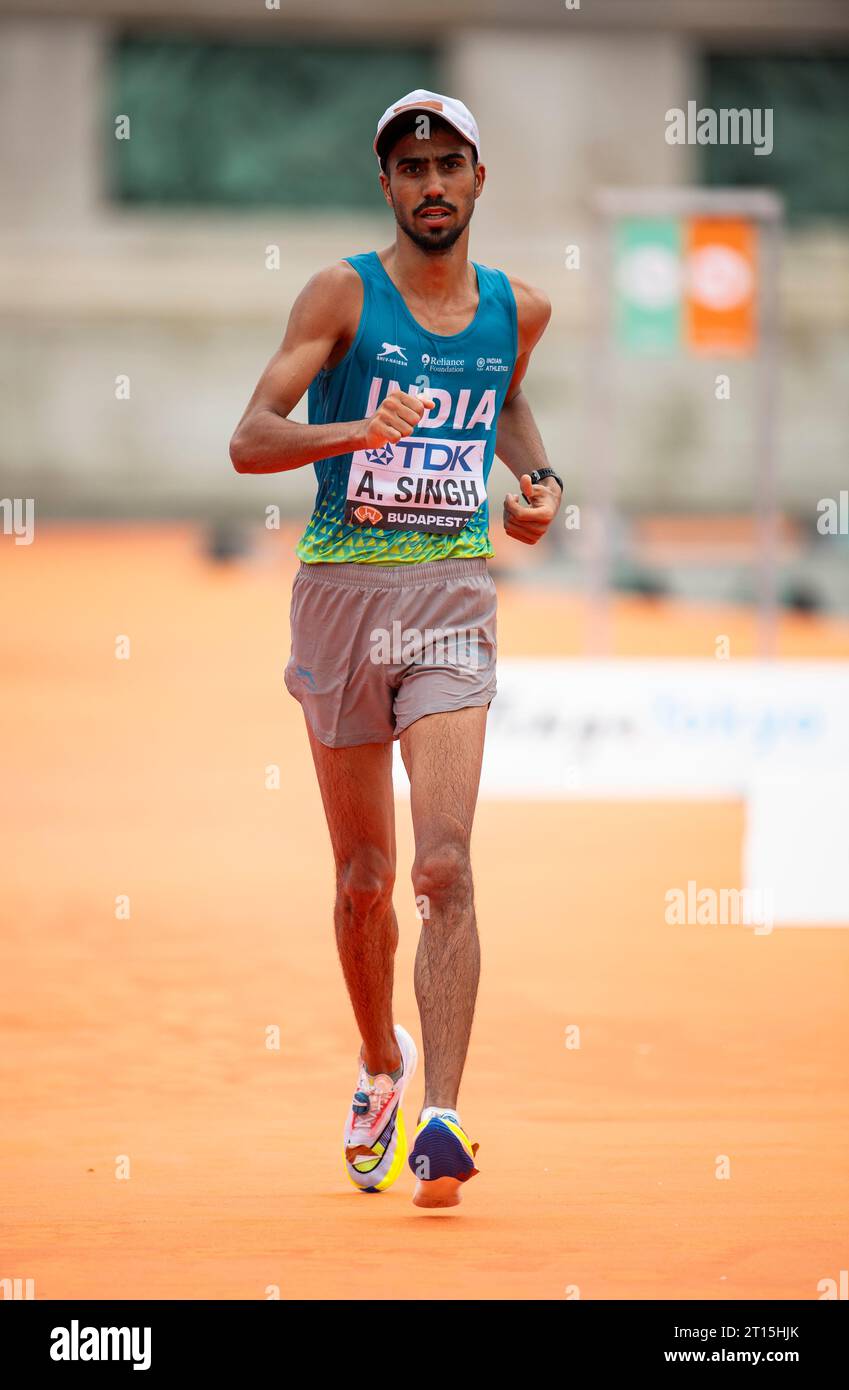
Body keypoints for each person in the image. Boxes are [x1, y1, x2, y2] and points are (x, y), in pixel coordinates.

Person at [230, 90, 561, 1207]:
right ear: (387, 184)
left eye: (448, 164)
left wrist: (541, 484)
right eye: (410, 166)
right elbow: (249, 438)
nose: (430, 183)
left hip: (452, 597)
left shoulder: (519, 308)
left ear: (478, 180)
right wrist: (352, 431)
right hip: (339, 599)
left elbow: (508, 403)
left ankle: (446, 1120)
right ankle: (381, 1063)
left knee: (443, 866)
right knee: (367, 882)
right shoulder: (340, 293)